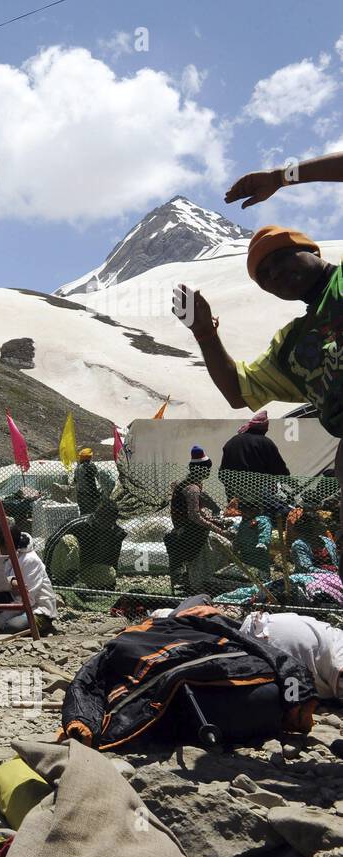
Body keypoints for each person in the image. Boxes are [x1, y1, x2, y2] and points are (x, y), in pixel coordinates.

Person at [180, 150, 343, 563]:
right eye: (262, 276)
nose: (273, 275)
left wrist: (283, 176)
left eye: (279, 257)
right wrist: (204, 333)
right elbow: (238, 392)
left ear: (311, 250)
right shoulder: (292, 346)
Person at [163, 447, 235, 594]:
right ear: (200, 470)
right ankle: (203, 582)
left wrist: (214, 521)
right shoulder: (192, 489)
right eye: (207, 469)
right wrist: (221, 530)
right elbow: (194, 516)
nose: (209, 472)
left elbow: (198, 513)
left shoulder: (186, 484)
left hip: (188, 527)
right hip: (190, 532)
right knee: (226, 545)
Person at [45, 499, 128, 590]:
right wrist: (46, 573)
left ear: (114, 519)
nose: (105, 524)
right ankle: (71, 581)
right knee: (69, 540)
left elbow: (113, 560)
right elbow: (51, 542)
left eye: (110, 520)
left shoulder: (116, 533)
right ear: (97, 515)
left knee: (111, 574)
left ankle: (78, 583)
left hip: (85, 569)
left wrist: (110, 583)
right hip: (62, 565)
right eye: (103, 519)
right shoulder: (79, 524)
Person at [218, 410, 289, 509]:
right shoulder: (265, 442)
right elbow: (278, 467)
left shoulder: (233, 440)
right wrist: (288, 478)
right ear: (263, 429)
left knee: (237, 516)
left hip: (233, 493)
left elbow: (223, 472)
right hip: (256, 494)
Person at [0, 527, 58, 634]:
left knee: (10, 627)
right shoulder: (8, 557)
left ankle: (44, 626)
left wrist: (0, 619)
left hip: (37, 609)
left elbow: (28, 599)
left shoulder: (30, 560)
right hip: (15, 602)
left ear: (6, 545)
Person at [287, 508, 337, 573]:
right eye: (320, 522)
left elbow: (336, 563)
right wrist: (330, 574)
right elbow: (306, 568)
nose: (325, 525)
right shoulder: (299, 545)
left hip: (334, 576)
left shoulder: (327, 541)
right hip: (312, 578)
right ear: (311, 526)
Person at [73, 447, 102, 516]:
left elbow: (75, 480)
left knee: (83, 513)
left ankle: (84, 525)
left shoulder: (77, 468)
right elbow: (98, 478)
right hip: (90, 494)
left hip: (80, 494)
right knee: (93, 513)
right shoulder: (90, 466)